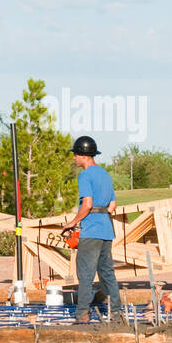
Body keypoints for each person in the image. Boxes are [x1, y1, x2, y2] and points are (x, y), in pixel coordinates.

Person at [62, 136, 125, 325]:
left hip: (91, 231)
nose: (74, 158)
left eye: (75, 155)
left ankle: (82, 314)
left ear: (83, 155)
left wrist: (73, 222)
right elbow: (112, 205)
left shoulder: (85, 175)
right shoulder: (105, 174)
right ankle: (116, 313)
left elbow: (87, 204)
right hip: (106, 230)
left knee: (86, 274)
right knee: (107, 273)